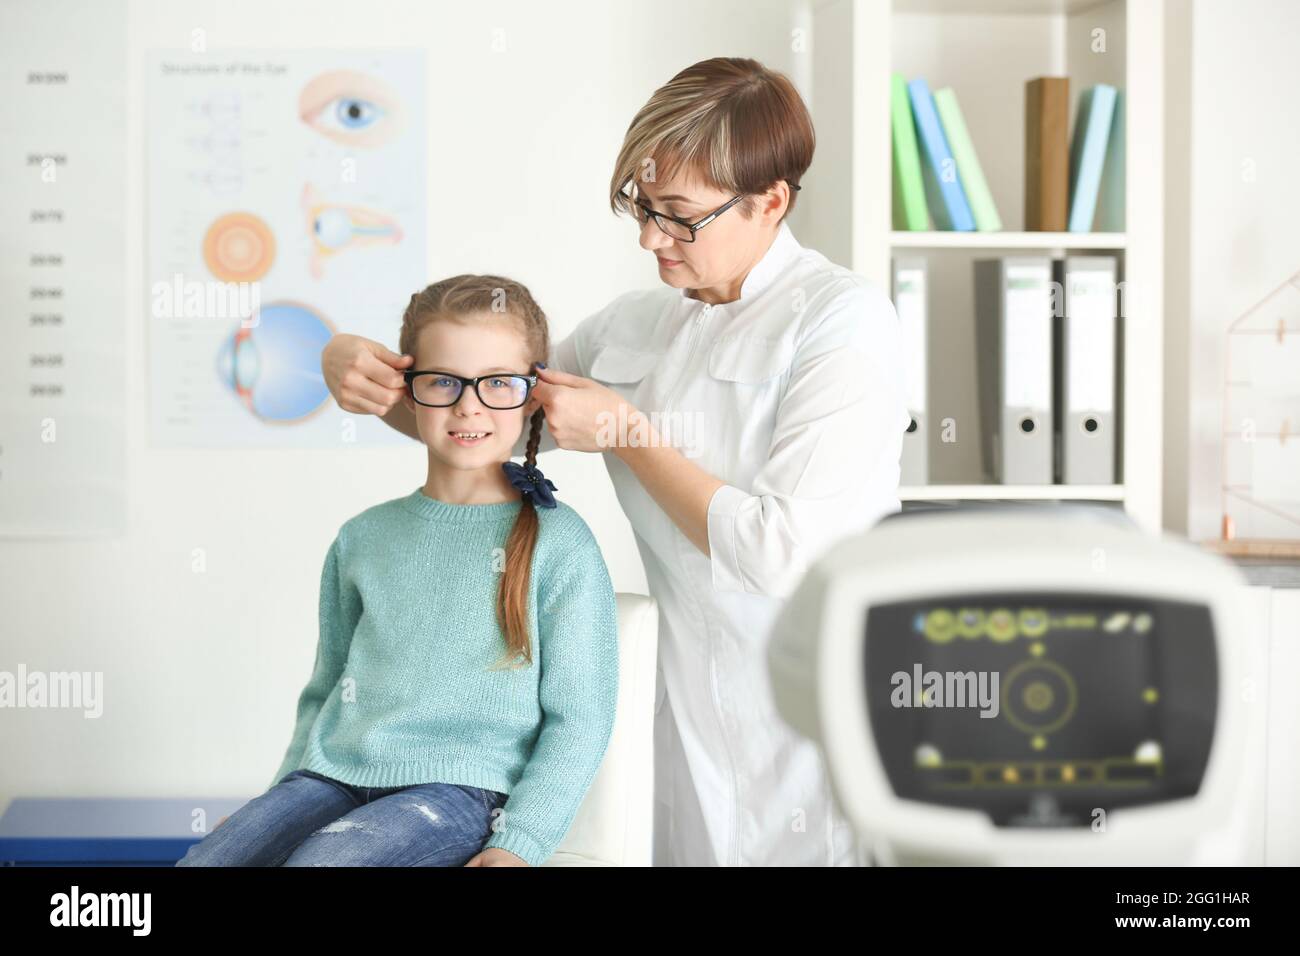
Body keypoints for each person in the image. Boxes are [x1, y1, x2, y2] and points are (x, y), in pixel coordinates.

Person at [320, 58, 908, 866]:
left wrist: (630, 433)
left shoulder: (845, 324)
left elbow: (778, 554)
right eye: (640, 203)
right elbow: (473, 416)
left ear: (770, 201)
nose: (648, 237)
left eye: (679, 216)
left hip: (812, 724)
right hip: (680, 708)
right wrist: (351, 373)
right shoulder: (635, 326)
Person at [178, 275, 619, 867]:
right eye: (443, 381)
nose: (469, 405)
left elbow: (580, 719)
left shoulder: (559, 542)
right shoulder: (363, 537)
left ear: (532, 393)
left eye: (497, 383)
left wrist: (521, 842)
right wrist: (277, 800)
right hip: (332, 776)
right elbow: (324, 691)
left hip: (462, 793)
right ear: (409, 391)